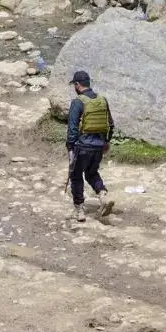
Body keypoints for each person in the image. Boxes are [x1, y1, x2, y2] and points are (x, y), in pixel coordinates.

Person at [67, 70, 115, 222]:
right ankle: (103, 196)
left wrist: (70, 148)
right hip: (99, 146)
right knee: (92, 173)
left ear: (77, 84)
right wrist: (106, 142)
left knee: (76, 176)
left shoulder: (78, 102)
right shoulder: (103, 100)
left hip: (82, 146)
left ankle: (79, 210)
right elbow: (111, 124)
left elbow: (72, 128)